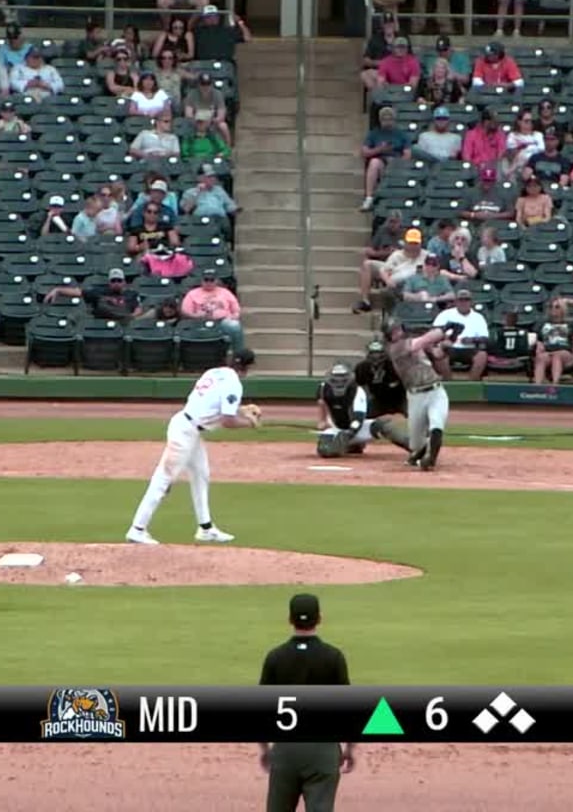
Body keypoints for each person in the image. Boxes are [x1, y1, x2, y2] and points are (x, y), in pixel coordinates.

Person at [125, 348, 257, 545]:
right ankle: (137, 529)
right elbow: (228, 421)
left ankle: (206, 529)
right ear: (246, 368)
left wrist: (242, 410)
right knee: (163, 480)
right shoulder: (234, 384)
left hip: (189, 429)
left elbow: (211, 404)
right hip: (185, 433)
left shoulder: (213, 372)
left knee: (201, 475)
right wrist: (249, 423)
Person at [258, 593, 356, 812]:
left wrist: (265, 749)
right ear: (319, 618)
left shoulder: (275, 657)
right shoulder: (334, 657)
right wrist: (349, 748)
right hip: (323, 751)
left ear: (290, 619)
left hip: (286, 750)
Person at [384, 319, 456, 471]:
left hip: (436, 391)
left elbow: (438, 354)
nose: (397, 333)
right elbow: (424, 340)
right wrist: (443, 329)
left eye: (398, 329)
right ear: (389, 336)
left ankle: (430, 459)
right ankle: (419, 452)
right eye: (393, 331)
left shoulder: (414, 344)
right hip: (416, 396)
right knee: (416, 444)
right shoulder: (396, 349)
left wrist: (451, 340)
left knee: (437, 424)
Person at [314, 362, 411, 458]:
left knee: (384, 424)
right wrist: (322, 421)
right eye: (336, 378)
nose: (339, 381)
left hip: (357, 429)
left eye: (342, 378)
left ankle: (414, 447)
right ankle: (352, 446)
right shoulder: (323, 389)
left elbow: (358, 419)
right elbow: (322, 403)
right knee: (326, 451)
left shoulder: (357, 391)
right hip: (336, 429)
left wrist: (348, 434)